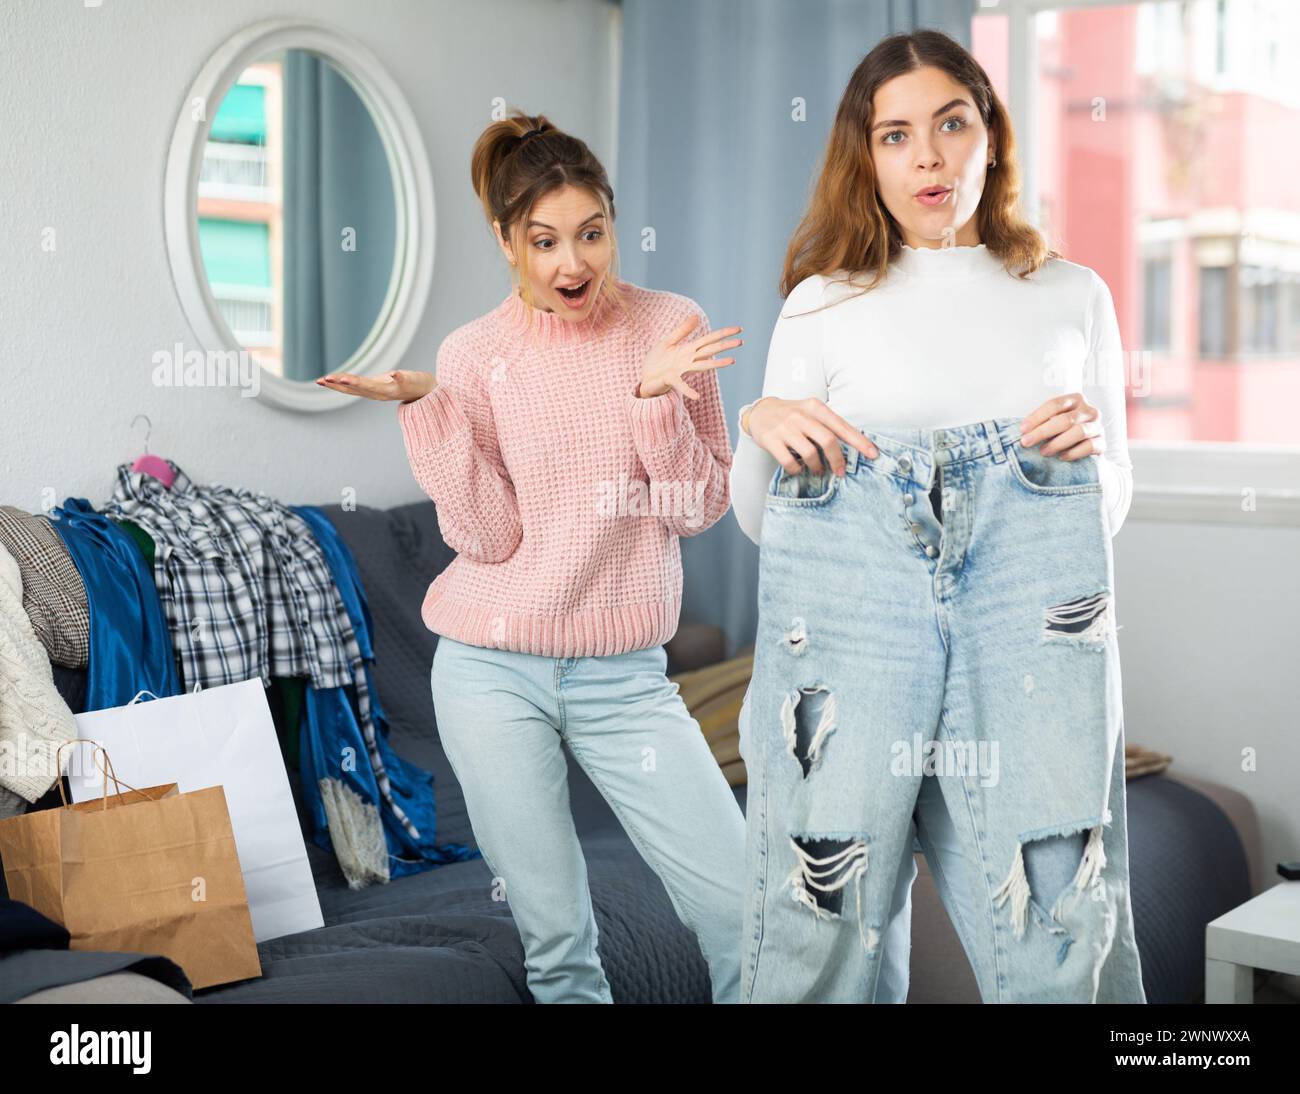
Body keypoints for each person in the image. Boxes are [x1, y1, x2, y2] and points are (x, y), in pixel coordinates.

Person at [730, 30, 1145, 1004]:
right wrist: (758, 421)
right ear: (863, 156)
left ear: (990, 134)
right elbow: (763, 525)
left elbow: (1111, 504)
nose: (928, 155)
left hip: (1025, 619)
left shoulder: (1069, 294)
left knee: (1059, 925)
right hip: (849, 617)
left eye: (951, 123)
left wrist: (1068, 467)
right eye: (896, 133)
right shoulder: (821, 304)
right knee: (819, 931)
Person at [318, 113, 748, 1003]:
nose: (573, 264)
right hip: (489, 674)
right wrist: (431, 410)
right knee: (559, 950)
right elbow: (488, 539)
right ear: (505, 239)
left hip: (624, 678)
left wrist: (652, 402)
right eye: (544, 241)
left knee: (748, 916)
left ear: (613, 222)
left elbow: (702, 506)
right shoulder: (472, 356)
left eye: (592, 233)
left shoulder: (672, 327)